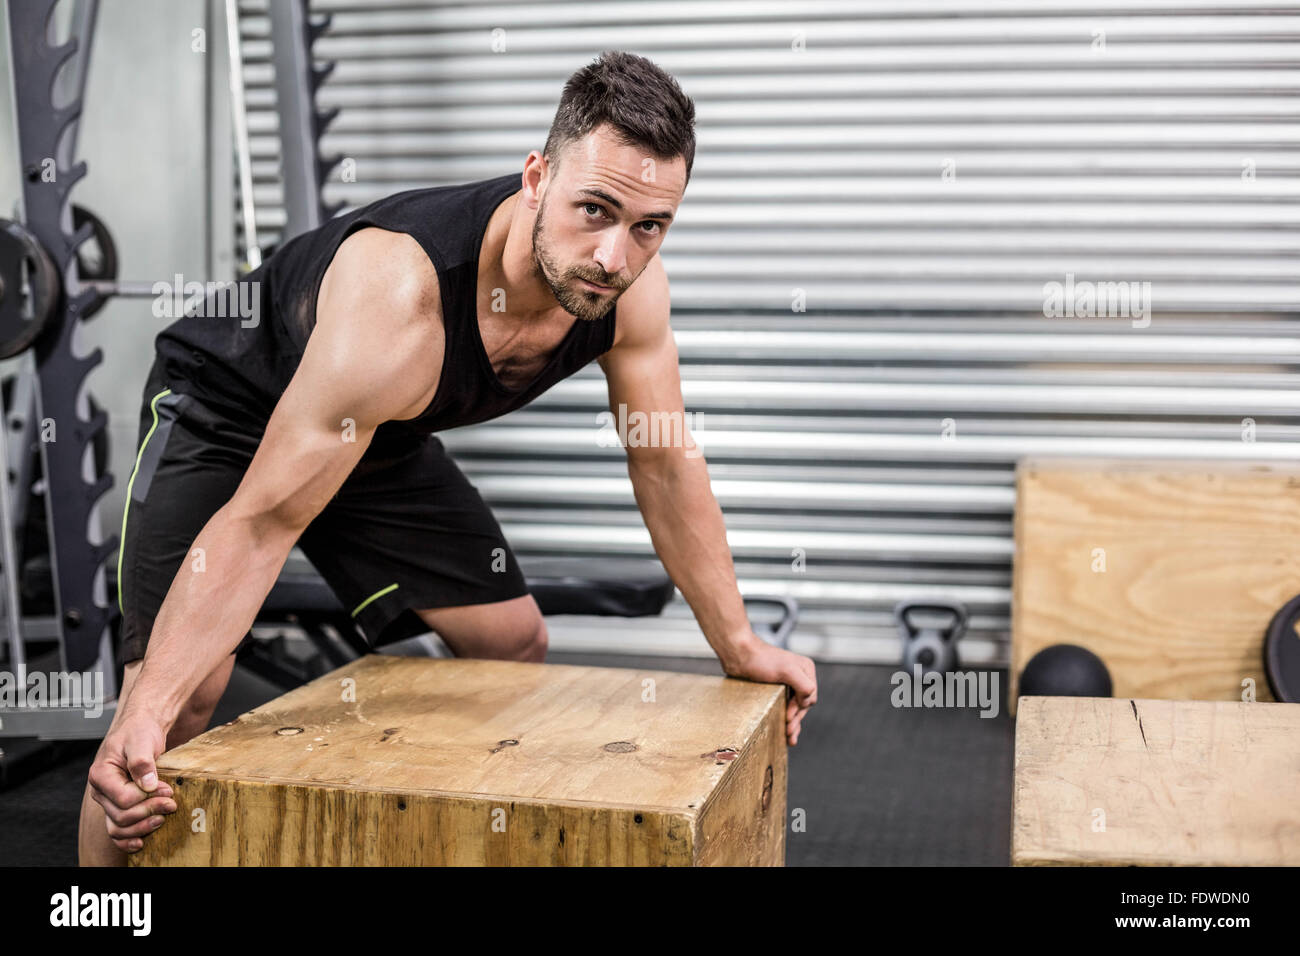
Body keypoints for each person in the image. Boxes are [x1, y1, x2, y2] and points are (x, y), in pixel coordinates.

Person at [82, 50, 817, 866]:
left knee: (512, 645)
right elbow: (262, 524)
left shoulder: (631, 294)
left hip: (373, 433)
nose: (616, 256)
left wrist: (739, 643)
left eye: (648, 226)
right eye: (595, 210)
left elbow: (666, 465)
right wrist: (148, 707)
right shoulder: (402, 296)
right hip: (226, 416)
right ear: (536, 176)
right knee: (170, 712)